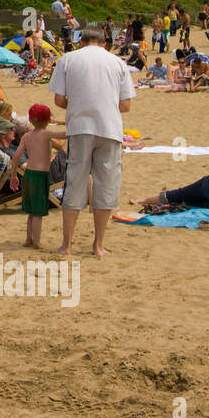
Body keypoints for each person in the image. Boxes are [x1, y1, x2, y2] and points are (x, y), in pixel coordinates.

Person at [49, 26, 135, 257]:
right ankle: (98, 245)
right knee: (106, 185)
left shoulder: (68, 59)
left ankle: (66, 245)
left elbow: (59, 99)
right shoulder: (117, 62)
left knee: (75, 184)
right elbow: (125, 105)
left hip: (79, 128)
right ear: (104, 43)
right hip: (110, 129)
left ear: (80, 42)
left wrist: (77, 106)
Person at [7, 104, 67, 248]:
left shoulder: (26, 136)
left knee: (30, 211)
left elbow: (15, 157)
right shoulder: (47, 134)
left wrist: (14, 175)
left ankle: (28, 238)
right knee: (38, 213)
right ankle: (37, 241)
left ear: (31, 121)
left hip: (28, 175)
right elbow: (64, 135)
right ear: (48, 121)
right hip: (41, 176)